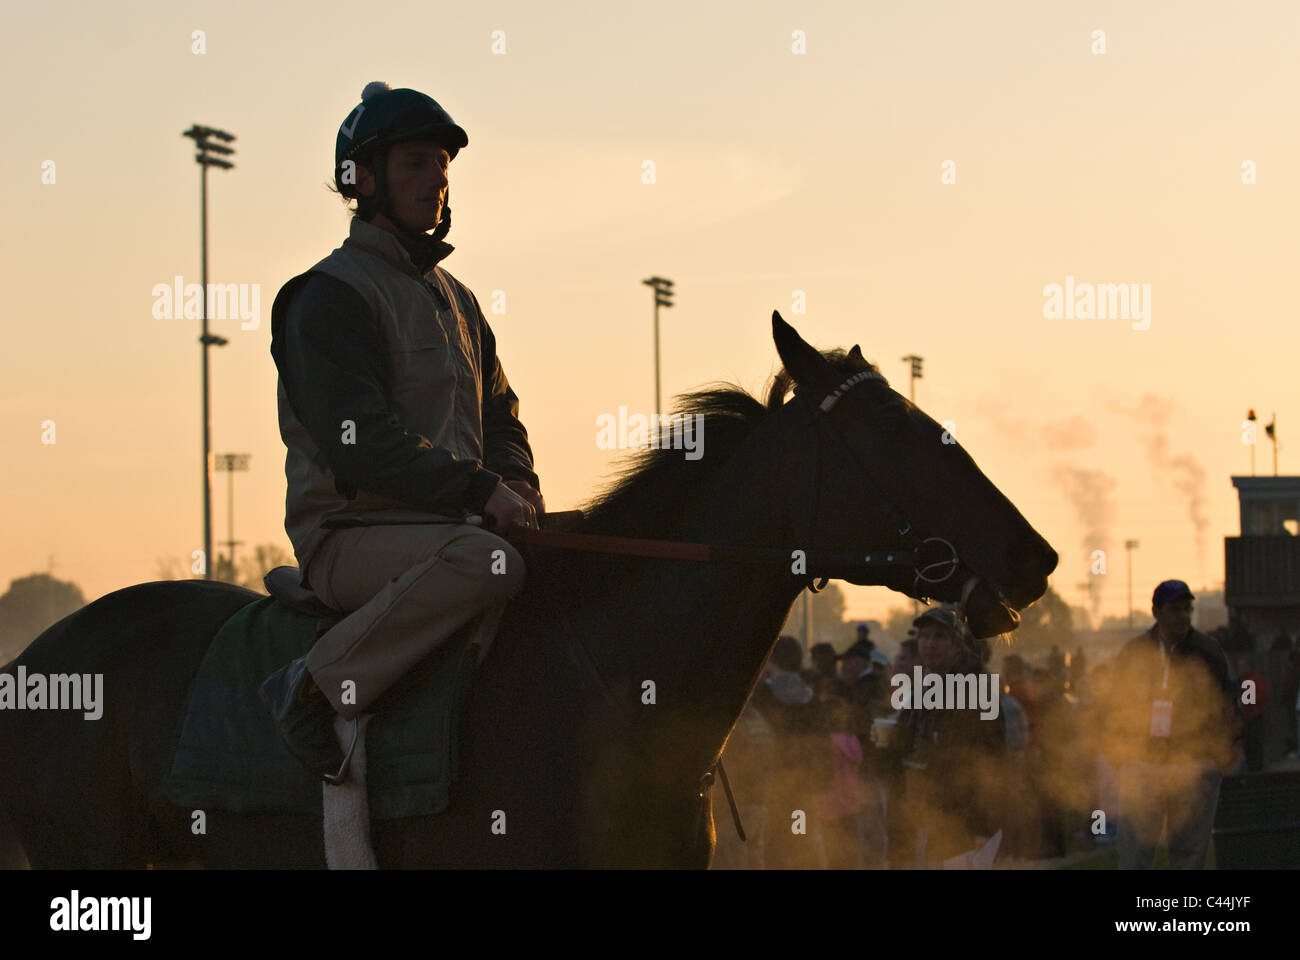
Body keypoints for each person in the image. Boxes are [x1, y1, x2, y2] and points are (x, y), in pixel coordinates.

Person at [260, 82, 544, 782]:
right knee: (492, 564)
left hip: (453, 530)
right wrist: (481, 490)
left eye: (442, 167)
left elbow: (501, 416)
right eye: (415, 163)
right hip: (352, 536)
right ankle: (310, 685)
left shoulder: (460, 300)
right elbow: (360, 441)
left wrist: (517, 486)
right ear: (363, 177)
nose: (436, 180)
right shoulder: (326, 295)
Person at [1101, 580, 1242, 869]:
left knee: (1189, 853)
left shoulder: (1206, 651)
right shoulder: (1136, 652)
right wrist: (1122, 758)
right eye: (1174, 609)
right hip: (1143, 763)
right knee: (1135, 855)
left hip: (1192, 765)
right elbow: (1114, 706)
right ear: (1156, 612)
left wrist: (1215, 759)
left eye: (1187, 609)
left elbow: (1226, 705)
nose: (1182, 616)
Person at [882, 607, 1006, 867]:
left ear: (957, 644)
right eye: (924, 636)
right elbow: (904, 749)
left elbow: (991, 759)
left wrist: (981, 826)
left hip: (960, 820)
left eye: (939, 637)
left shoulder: (977, 687)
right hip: (921, 813)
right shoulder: (924, 685)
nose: (930, 644)